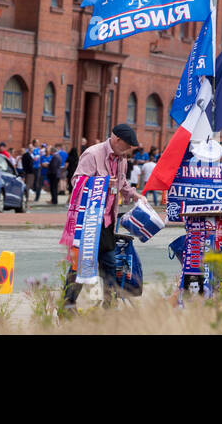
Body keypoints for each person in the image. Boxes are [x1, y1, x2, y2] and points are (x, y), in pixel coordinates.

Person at [59, 124, 144, 311]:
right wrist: (102, 183)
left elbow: (122, 183)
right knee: (81, 265)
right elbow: (77, 181)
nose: (129, 149)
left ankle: (109, 305)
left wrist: (135, 195)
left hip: (106, 220)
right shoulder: (92, 154)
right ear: (117, 140)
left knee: (110, 264)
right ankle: (67, 306)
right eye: (128, 144)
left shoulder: (122, 159)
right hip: (88, 220)